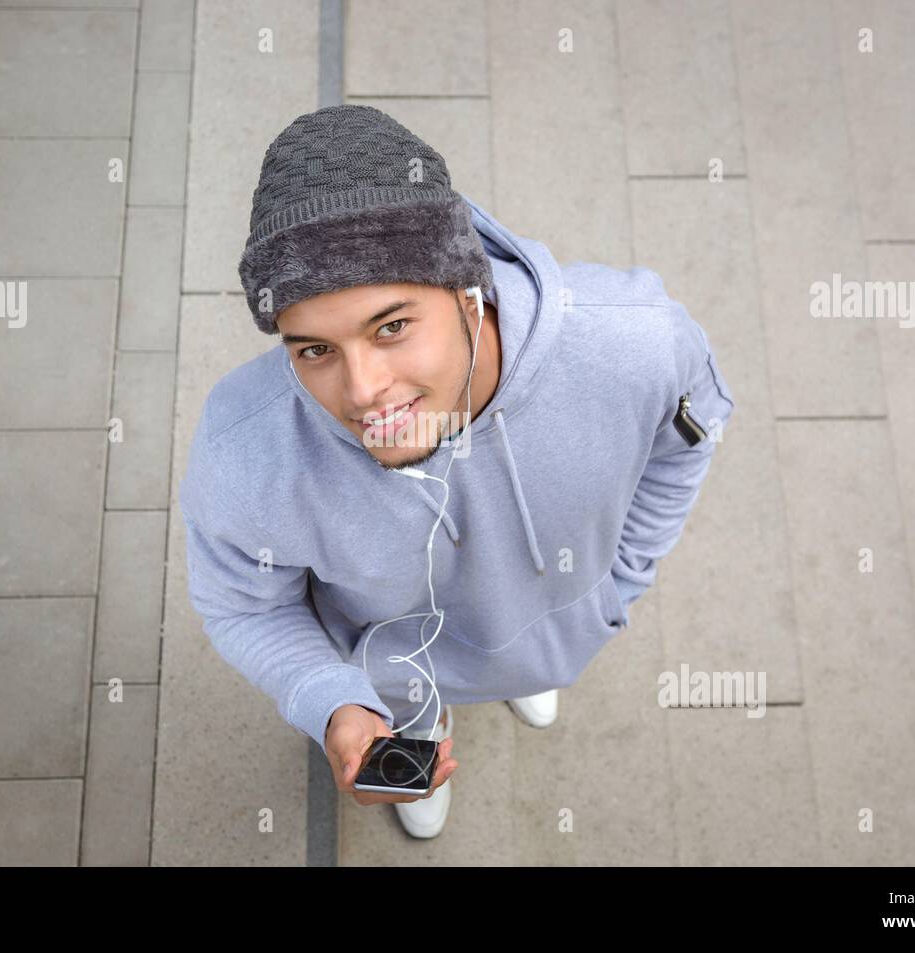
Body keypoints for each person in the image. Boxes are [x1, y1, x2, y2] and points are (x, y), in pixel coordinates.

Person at [179, 104, 736, 839]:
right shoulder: (244, 451)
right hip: (394, 679)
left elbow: (686, 440)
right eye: (314, 349)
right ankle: (426, 728)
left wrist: (617, 583)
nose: (363, 389)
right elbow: (246, 605)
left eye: (392, 327)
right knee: (412, 724)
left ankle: (531, 673)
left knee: (537, 666)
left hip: (558, 627)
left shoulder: (634, 341)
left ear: (468, 293)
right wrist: (335, 702)